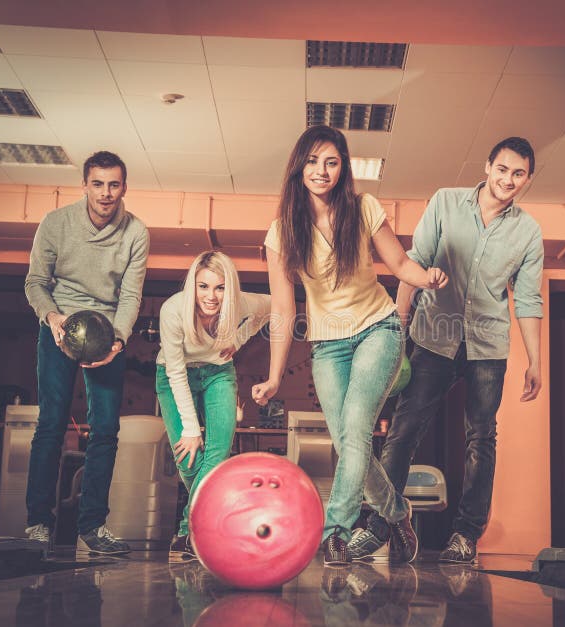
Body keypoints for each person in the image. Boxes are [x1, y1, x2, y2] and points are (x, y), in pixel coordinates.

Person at [251, 125, 448, 566]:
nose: (322, 170)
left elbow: (398, 263)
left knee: (356, 428)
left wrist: (426, 277)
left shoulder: (363, 208)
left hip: (378, 329)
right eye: (314, 161)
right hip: (328, 345)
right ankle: (396, 513)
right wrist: (274, 375)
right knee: (346, 439)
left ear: (343, 168)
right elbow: (283, 308)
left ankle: (336, 530)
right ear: (299, 166)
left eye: (332, 161)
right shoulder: (282, 232)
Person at [356, 136, 544, 564]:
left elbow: (528, 299)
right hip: (431, 338)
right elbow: (412, 263)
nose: (508, 180)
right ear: (487, 166)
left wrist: (536, 360)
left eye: (518, 174)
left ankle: (466, 535)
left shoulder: (528, 232)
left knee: (482, 438)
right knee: (404, 431)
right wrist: (396, 332)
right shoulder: (445, 202)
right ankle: (380, 523)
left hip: (488, 347)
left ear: (527, 179)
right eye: (502, 169)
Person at [24, 151, 149, 554]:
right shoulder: (56, 223)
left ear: (124, 187)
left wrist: (119, 341)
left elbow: (130, 296)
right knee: (51, 423)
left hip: (107, 332)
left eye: (114, 184)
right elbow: (35, 282)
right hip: (59, 329)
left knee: (106, 430)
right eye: (98, 184)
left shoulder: (136, 233)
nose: (106, 193)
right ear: (85, 185)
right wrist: (53, 317)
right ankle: (38, 522)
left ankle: (92, 525)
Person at [156, 250, 271, 562]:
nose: (211, 296)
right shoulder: (173, 311)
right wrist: (192, 430)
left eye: (220, 287)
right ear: (192, 285)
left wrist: (241, 336)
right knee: (188, 461)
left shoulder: (241, 304)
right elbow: (176, 372)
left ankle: (187, 532)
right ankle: (213, 521)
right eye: (203, 286)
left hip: (219, 373)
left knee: (216, 456)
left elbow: (272, 306)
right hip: (174, 377)